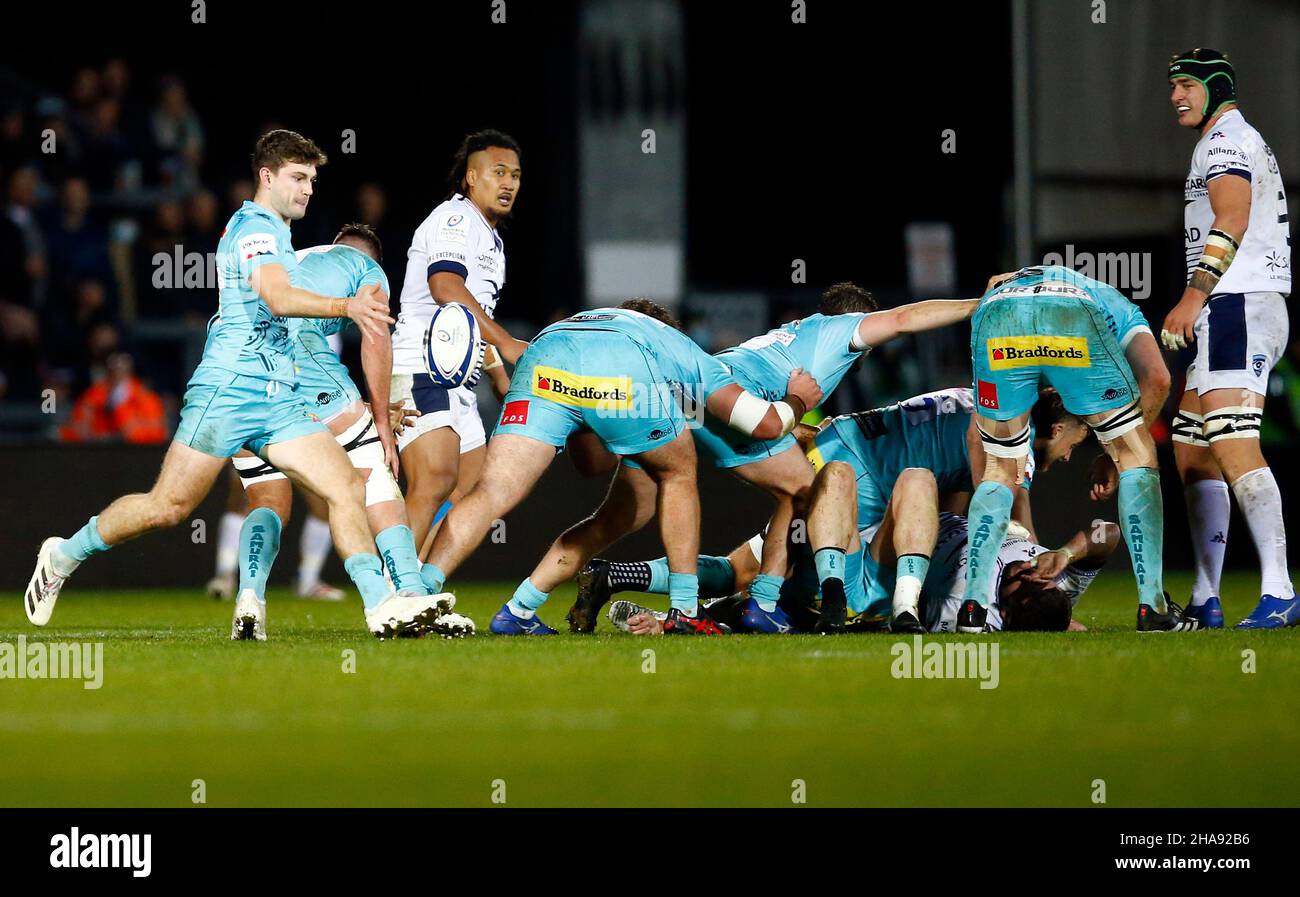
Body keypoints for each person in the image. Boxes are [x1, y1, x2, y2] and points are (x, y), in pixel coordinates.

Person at [24, 130, 442, 640]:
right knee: (168, 507)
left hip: (279, 400)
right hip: (228, 390)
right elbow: (277, 296)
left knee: (346, 487)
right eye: (297, 177)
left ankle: (382, 607)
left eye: (312, 179)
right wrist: (346, 306)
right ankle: (64, 553)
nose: (308, 188)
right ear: (267, 177)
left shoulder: (282, 234)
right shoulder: (254, 229)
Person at [421, 299, 823, 635]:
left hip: (545, 352)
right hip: (617, 367)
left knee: (492, 492)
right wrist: (798, 400)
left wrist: (600, 418)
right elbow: (765, 423)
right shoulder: (685, 354)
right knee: (679, 471)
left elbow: (591, 464)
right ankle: (685, 610)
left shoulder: (605, 321)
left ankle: (432, 599)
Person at [572, 387, 1086, 632]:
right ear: (1058, 430)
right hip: (863, 488)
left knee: (741, 568)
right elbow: (989, 510)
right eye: (1077, 443)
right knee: (765, 580)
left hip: (838, 446)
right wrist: (1036, 553)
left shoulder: (978, 396)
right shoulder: (1010, 439)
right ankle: (724, 617)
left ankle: (623, 576)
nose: (1069, 457)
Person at [223, 225, 472, 639]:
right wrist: (379, 420)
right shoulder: (365, 270)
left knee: (266, 496)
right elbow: (374, 337)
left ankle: (249, 598)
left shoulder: (291, 260)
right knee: (372, 472)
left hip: (236, 369)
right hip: (300, 360)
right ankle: (405, 593)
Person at [960, 265, 1187, 632]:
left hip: (996, 312)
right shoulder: (1120, 309)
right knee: (1136, 455)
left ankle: (973, 609)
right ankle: (1153, 605)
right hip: (1067, 313)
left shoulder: (1027, 277)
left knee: (1000, 469)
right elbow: (1157, 379)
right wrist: (1113, 457)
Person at [1162, 49, 1297, 630]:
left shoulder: (1223, 141)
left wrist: (1194, 295)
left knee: (1234, 441)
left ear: (1217, 87)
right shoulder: (1229, 138)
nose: (1175, 96)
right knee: (1192, 445)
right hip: (1240, 305)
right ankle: (1205, 594)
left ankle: (1280, 590)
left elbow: (1232, 218)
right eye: (1172, 86)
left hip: (1236, 304)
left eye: (1187, 84)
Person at [390, 130, 525, 562]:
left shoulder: (492, 239)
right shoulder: (456, 220)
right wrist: (505, 343)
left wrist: (498, 374)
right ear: (470, 177)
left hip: (459, 380)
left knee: (475, 488)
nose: (508, 183)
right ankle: (394, 596)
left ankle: (424, 588)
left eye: (516, 176)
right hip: (422, 364)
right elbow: (445, 286)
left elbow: (465, 322)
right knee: (434, 480)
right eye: (498, 172)